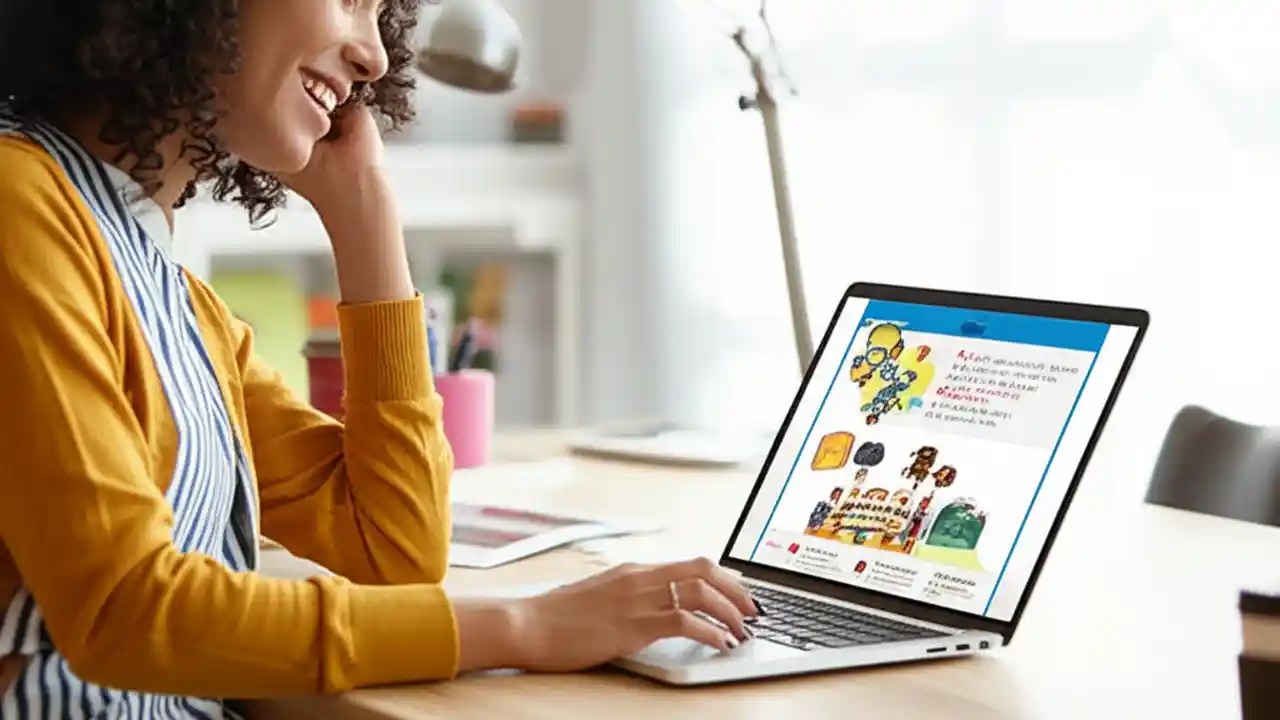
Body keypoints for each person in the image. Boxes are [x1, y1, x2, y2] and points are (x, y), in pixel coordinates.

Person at [0, 1, 757, 717]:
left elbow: (394, 546)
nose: (375, 56)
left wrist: (364, 211)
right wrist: (526, 625)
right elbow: (127, 609)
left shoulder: (174, 297)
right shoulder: (18, 204)